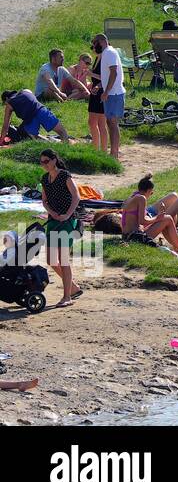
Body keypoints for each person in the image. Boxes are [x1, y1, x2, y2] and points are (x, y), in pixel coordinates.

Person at [37, 150, 81, 306]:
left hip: (68, 222)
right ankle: (74, 288)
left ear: (54, 160)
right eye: (42, 162)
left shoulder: (64, 175)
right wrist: (53, 213)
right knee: (50, 259)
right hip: (54, 221)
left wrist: (67, 215)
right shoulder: (45, 178)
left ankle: (67, 297)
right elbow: (44, 201)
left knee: (63, 260)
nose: (44, 164)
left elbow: (76, 196)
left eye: (46, 161)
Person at [91, 33, 125, 159]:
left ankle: (114, 153)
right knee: (110, 122)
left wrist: (106, 92)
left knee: (112, 122)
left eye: (94, 43)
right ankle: (114, 152)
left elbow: (114, 73)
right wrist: (100, 86)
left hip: (114, 93)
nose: (94, 47)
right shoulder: (107, 53)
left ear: (100, 41)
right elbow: (107, 75)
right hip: (111, 92)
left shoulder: (109, 52)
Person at [1, 89, 70, 144]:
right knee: (62, 132)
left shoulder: (9, 105)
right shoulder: (26, 91)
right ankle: (65, 146)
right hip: (41, 110)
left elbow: (5, 126)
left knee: (34, 137)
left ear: (6, 99)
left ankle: (50, 144)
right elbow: (33, 99)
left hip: (30, 119)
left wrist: (1, 141)